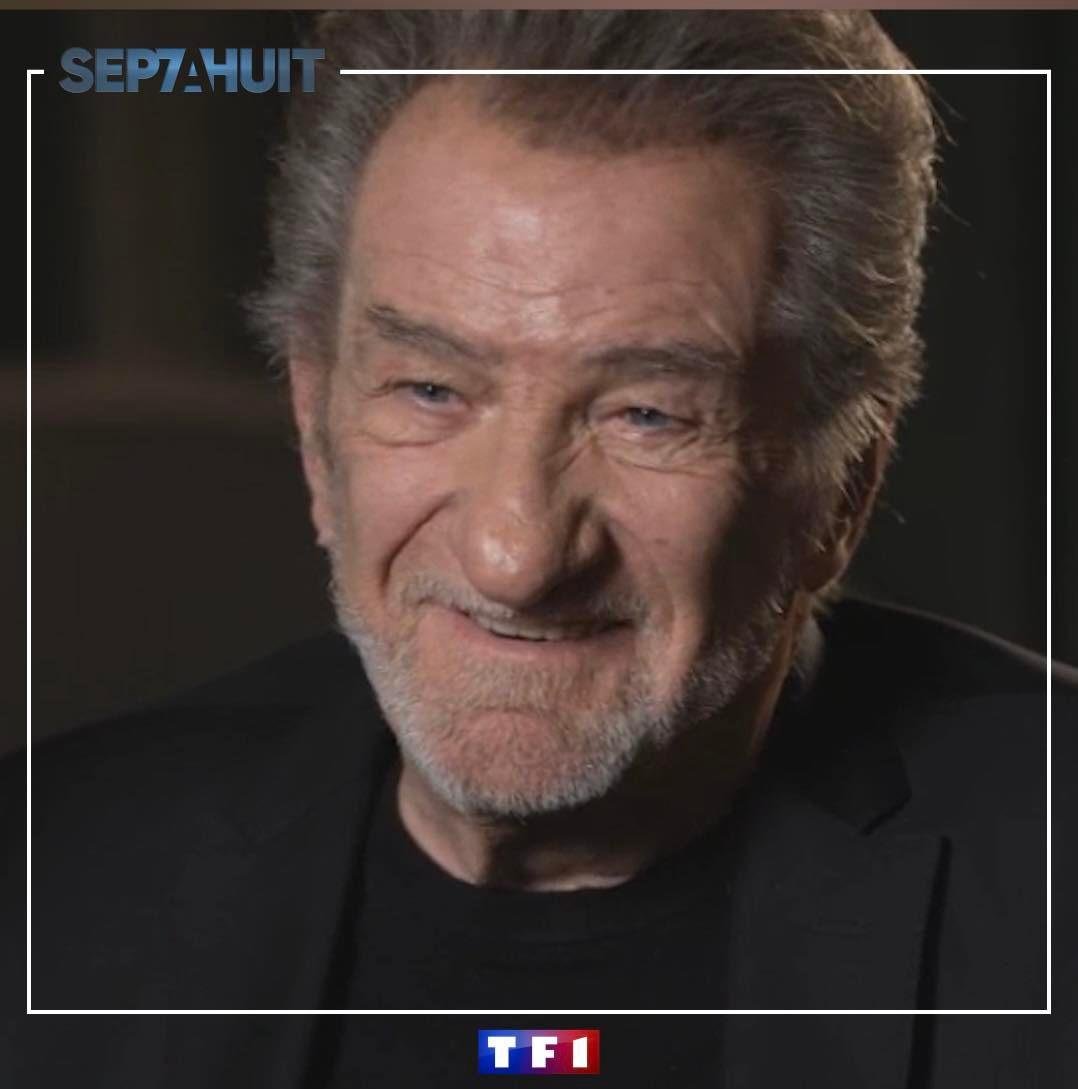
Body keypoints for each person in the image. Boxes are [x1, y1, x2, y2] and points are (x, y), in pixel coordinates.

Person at [4, 11, 1070, 1089]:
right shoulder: (50, 881)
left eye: (647, 414)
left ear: (841, 489)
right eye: (431, 389)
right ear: (316, 430)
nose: (515, 558)